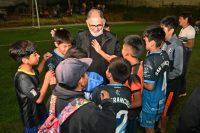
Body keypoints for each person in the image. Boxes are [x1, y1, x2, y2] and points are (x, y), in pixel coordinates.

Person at [46, 58, 116, 133]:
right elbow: (108, 127)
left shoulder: (51, 100)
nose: (88, 76)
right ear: (81, 81)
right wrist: (107, 103)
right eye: (86, 73)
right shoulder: (88, 110)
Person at [91, 35, 144, 133]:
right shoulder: (132, 65)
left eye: (123, 48)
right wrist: (99, 51)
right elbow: (111, 60)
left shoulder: (134, 75)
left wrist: (121, 104)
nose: (121, 50)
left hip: (130, 112)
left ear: (126, 52)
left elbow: (138, 101)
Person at [8, 40, 55, 133]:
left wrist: (44, 60)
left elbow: (36, 72)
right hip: (33, 120)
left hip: (41, 113)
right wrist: (47, 79)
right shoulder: (22, 78)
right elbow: (38, 99)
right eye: (34, 54)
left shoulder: (29, 69)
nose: (38, 55)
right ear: (25, 60)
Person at [73, 8, 121, 83]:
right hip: (85, 82)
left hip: (106, 81)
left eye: (99, 25)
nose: (96, 29)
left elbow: (118, 60)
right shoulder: (80, 36)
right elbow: (71, 54)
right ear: (87, 23)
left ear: (104, 22)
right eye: (92, 25)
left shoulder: (112, 38)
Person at [139, 26, 170, 133]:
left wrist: (140, 78)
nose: (144, 42)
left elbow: (150, 86)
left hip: (151, 101)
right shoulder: (164, 54)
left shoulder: (149, 59)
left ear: (152, 43)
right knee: (156, 123)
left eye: (145, 40)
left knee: (149, 127)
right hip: (161, 98)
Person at [91, 57, 132, 133]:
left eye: (107, 69)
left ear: (109, 74)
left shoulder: (100, 90)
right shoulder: (128, 92)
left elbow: (92, 111)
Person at [159, 16, 184, 133]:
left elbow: (178, 71)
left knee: (165, 111)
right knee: (160, 107)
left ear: (171, 30)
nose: (160, 31)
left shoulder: (177, 46)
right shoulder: (164, 42)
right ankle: (159, 127)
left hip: (171, 85)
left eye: (162, 29)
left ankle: (163, 130)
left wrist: (163, 76)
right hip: (162, 83)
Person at [178, 12, 196, 97]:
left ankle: (182, 91)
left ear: (186, 19)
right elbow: (183, 40)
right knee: (178, 70)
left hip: (186, 52)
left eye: (181, 19)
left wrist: (179, 43)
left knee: (182, 71)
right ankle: (179, 89)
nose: (179, 20)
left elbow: (191, 45)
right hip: (181, 51)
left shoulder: (190, 30)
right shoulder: (183, 29)